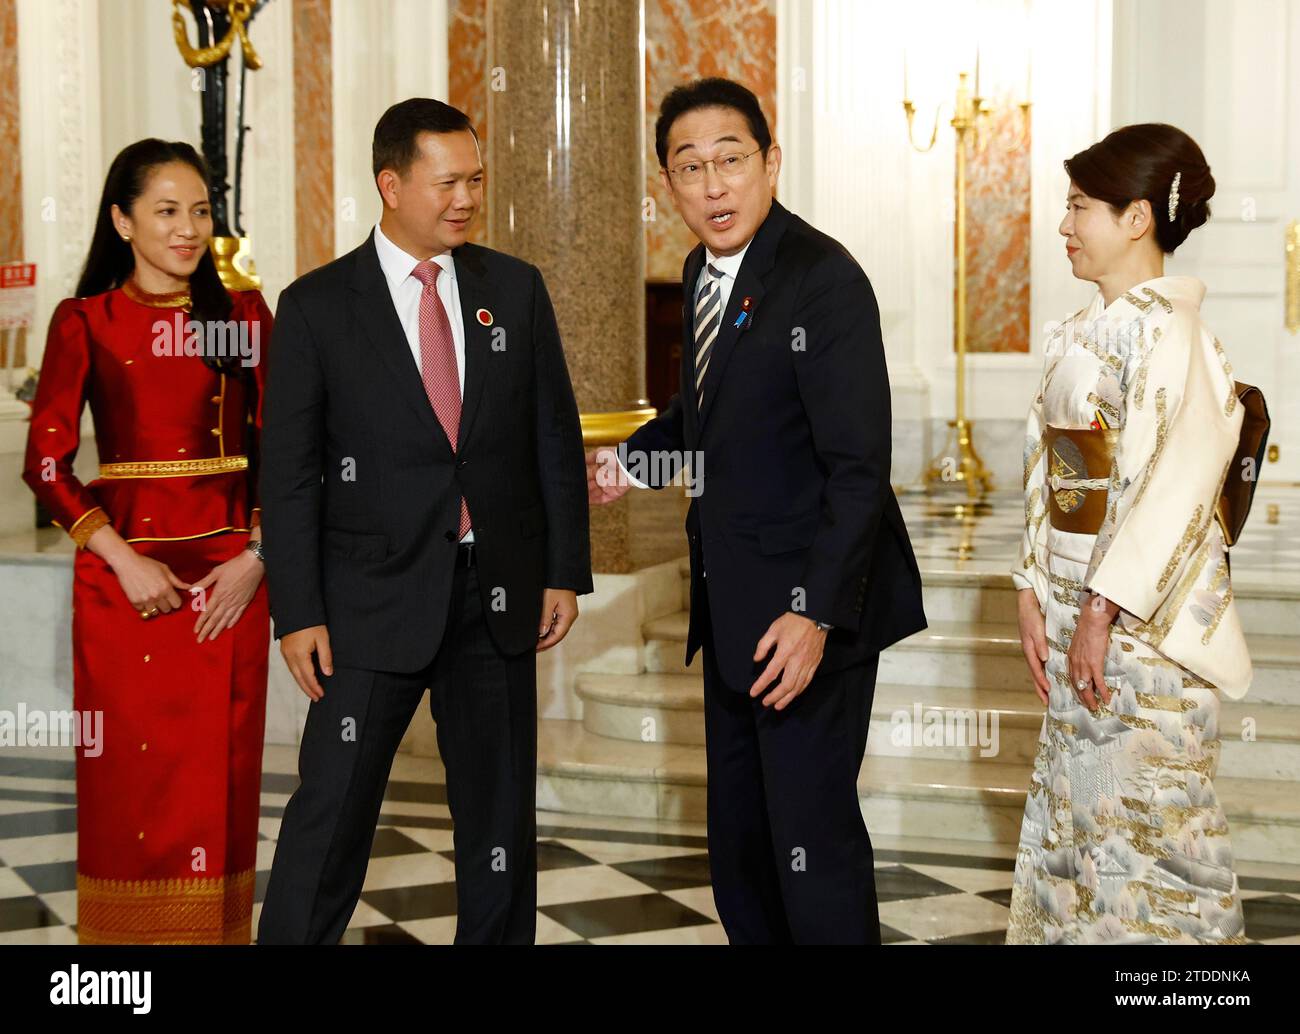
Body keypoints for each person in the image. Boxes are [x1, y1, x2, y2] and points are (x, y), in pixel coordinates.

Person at [587, 78, 926, 944]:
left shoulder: (822, 281)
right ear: (667, 183)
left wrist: (811, 615)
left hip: (810, 614)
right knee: (741, 844)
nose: (712, 186)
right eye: (688, 167)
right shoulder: (705, 271)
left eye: (730, 160)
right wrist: (631, 461)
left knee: (810, 844)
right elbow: (707, 419)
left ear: (770, 162)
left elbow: (858, 471)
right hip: (734, 607)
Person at [256, 98, 592, 945]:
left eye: (476, 180)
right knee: (329, 818)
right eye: (448, 182)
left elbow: (553, 434)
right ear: (391, 184)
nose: (467, 199)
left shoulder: (512, 289)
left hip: (496, 598)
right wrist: (296, 612)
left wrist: (562, 568)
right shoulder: (316, 307)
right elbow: (288, 477)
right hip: (366, 606)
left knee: (498, 824)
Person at [22, 139, 272, 943]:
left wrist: (257, 558)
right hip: (125, 583)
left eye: (200, 210)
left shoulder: (239, 318)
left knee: (220, 781)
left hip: (231, 580)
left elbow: (279, 445)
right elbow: (47, 461)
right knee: (131, 781)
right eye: (166, 211)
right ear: (122, 220)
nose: (188, 228)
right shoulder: (85, 320)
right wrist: (122, 559)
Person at [1008, 123, 1251, 944]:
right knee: (1085, 828)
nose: (1066, 225)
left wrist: (1102, 610)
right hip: (1083, 606)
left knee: (1153, 836)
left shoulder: (1173, 335)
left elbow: (1175, 489)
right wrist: (1033, 590)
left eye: (1081, 207)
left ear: (1138, 218)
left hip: (1139, 628)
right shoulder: (1083, 330)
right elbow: (1053, 474)